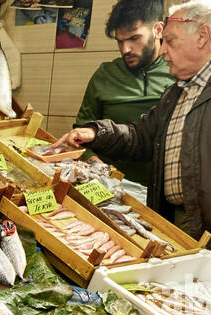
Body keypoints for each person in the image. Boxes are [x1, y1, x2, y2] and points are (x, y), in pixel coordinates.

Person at [49, 0, 211, 283]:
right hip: (180, 225)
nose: (162, 51)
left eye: (170, 41)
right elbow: (142, 137)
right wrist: (97, 133)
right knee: (190, 309)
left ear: (202, 35)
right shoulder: (178, 90)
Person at [73, 0, 174, 186]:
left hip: (161, 194)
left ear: (158, 30)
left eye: (134, 38)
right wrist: (103, 172)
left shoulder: (178, 72)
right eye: (120, 41)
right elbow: (80, 134)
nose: (125, 49)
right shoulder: (105, 75)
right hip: (107, 187)